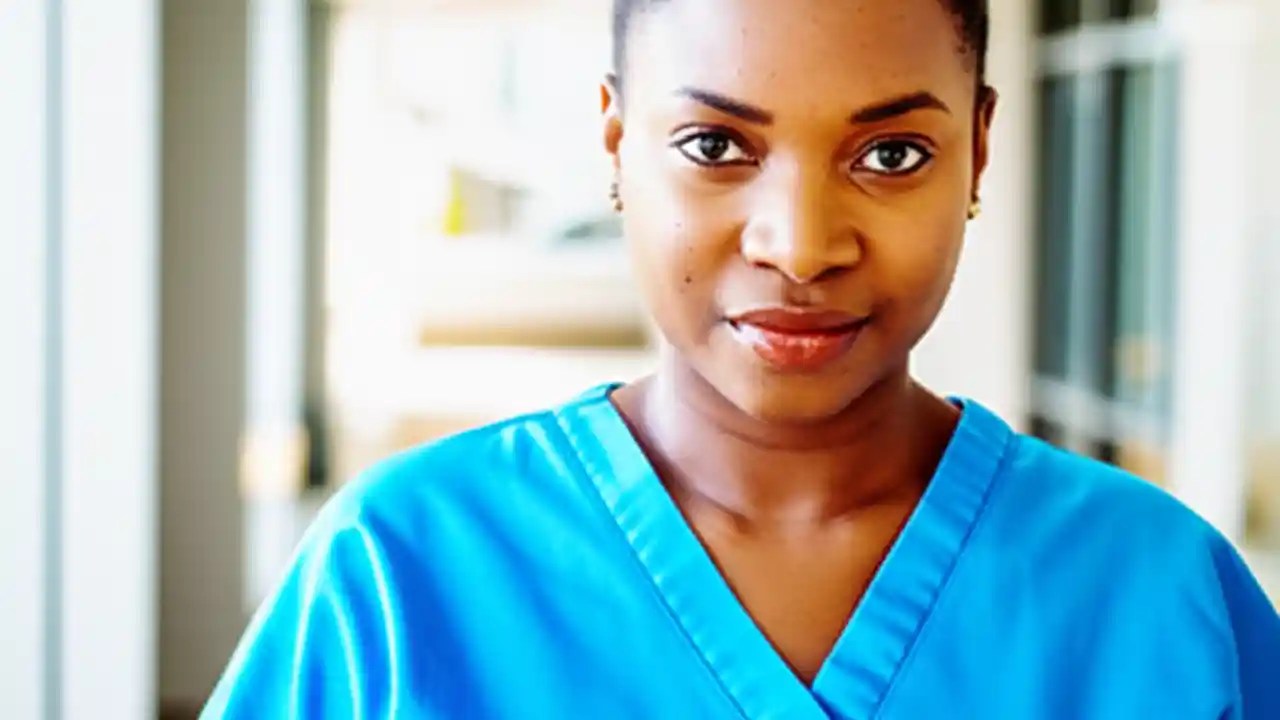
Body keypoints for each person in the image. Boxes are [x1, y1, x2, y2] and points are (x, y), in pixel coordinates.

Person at [203, 0, 1280, 717]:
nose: (800, 242)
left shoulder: (1159, 596)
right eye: (716, 147)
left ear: (977, 150)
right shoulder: (396, 573)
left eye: (890, 154)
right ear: (618, 143)